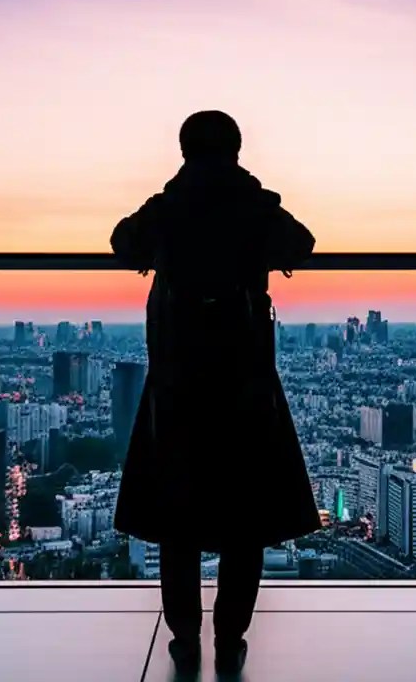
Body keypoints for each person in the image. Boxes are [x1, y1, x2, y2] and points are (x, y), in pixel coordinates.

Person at [112, 110, 321, 675]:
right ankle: (230, 634)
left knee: (177, 507)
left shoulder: (170, 205)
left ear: (183, 150)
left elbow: (123, 243)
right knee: (243, 510)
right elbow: (300, 244)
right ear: (236, 148)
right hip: (244, 375)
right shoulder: (251, 205)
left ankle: (185, 634)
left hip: (178, 376)